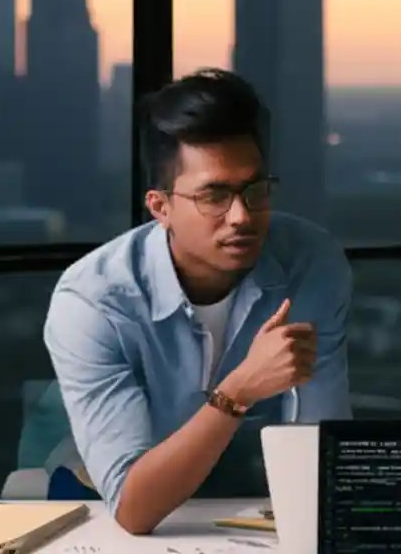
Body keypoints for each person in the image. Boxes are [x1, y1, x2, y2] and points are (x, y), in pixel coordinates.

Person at [43, 69, 353, 534]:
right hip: (110, 503)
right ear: (160, 207)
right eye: (214, 195)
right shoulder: (91, 302)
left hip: (252, 498)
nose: (241, 216)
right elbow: (134, 507)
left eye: (255, 190)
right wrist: (239, 389)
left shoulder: (311, 262)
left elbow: (321, 456)